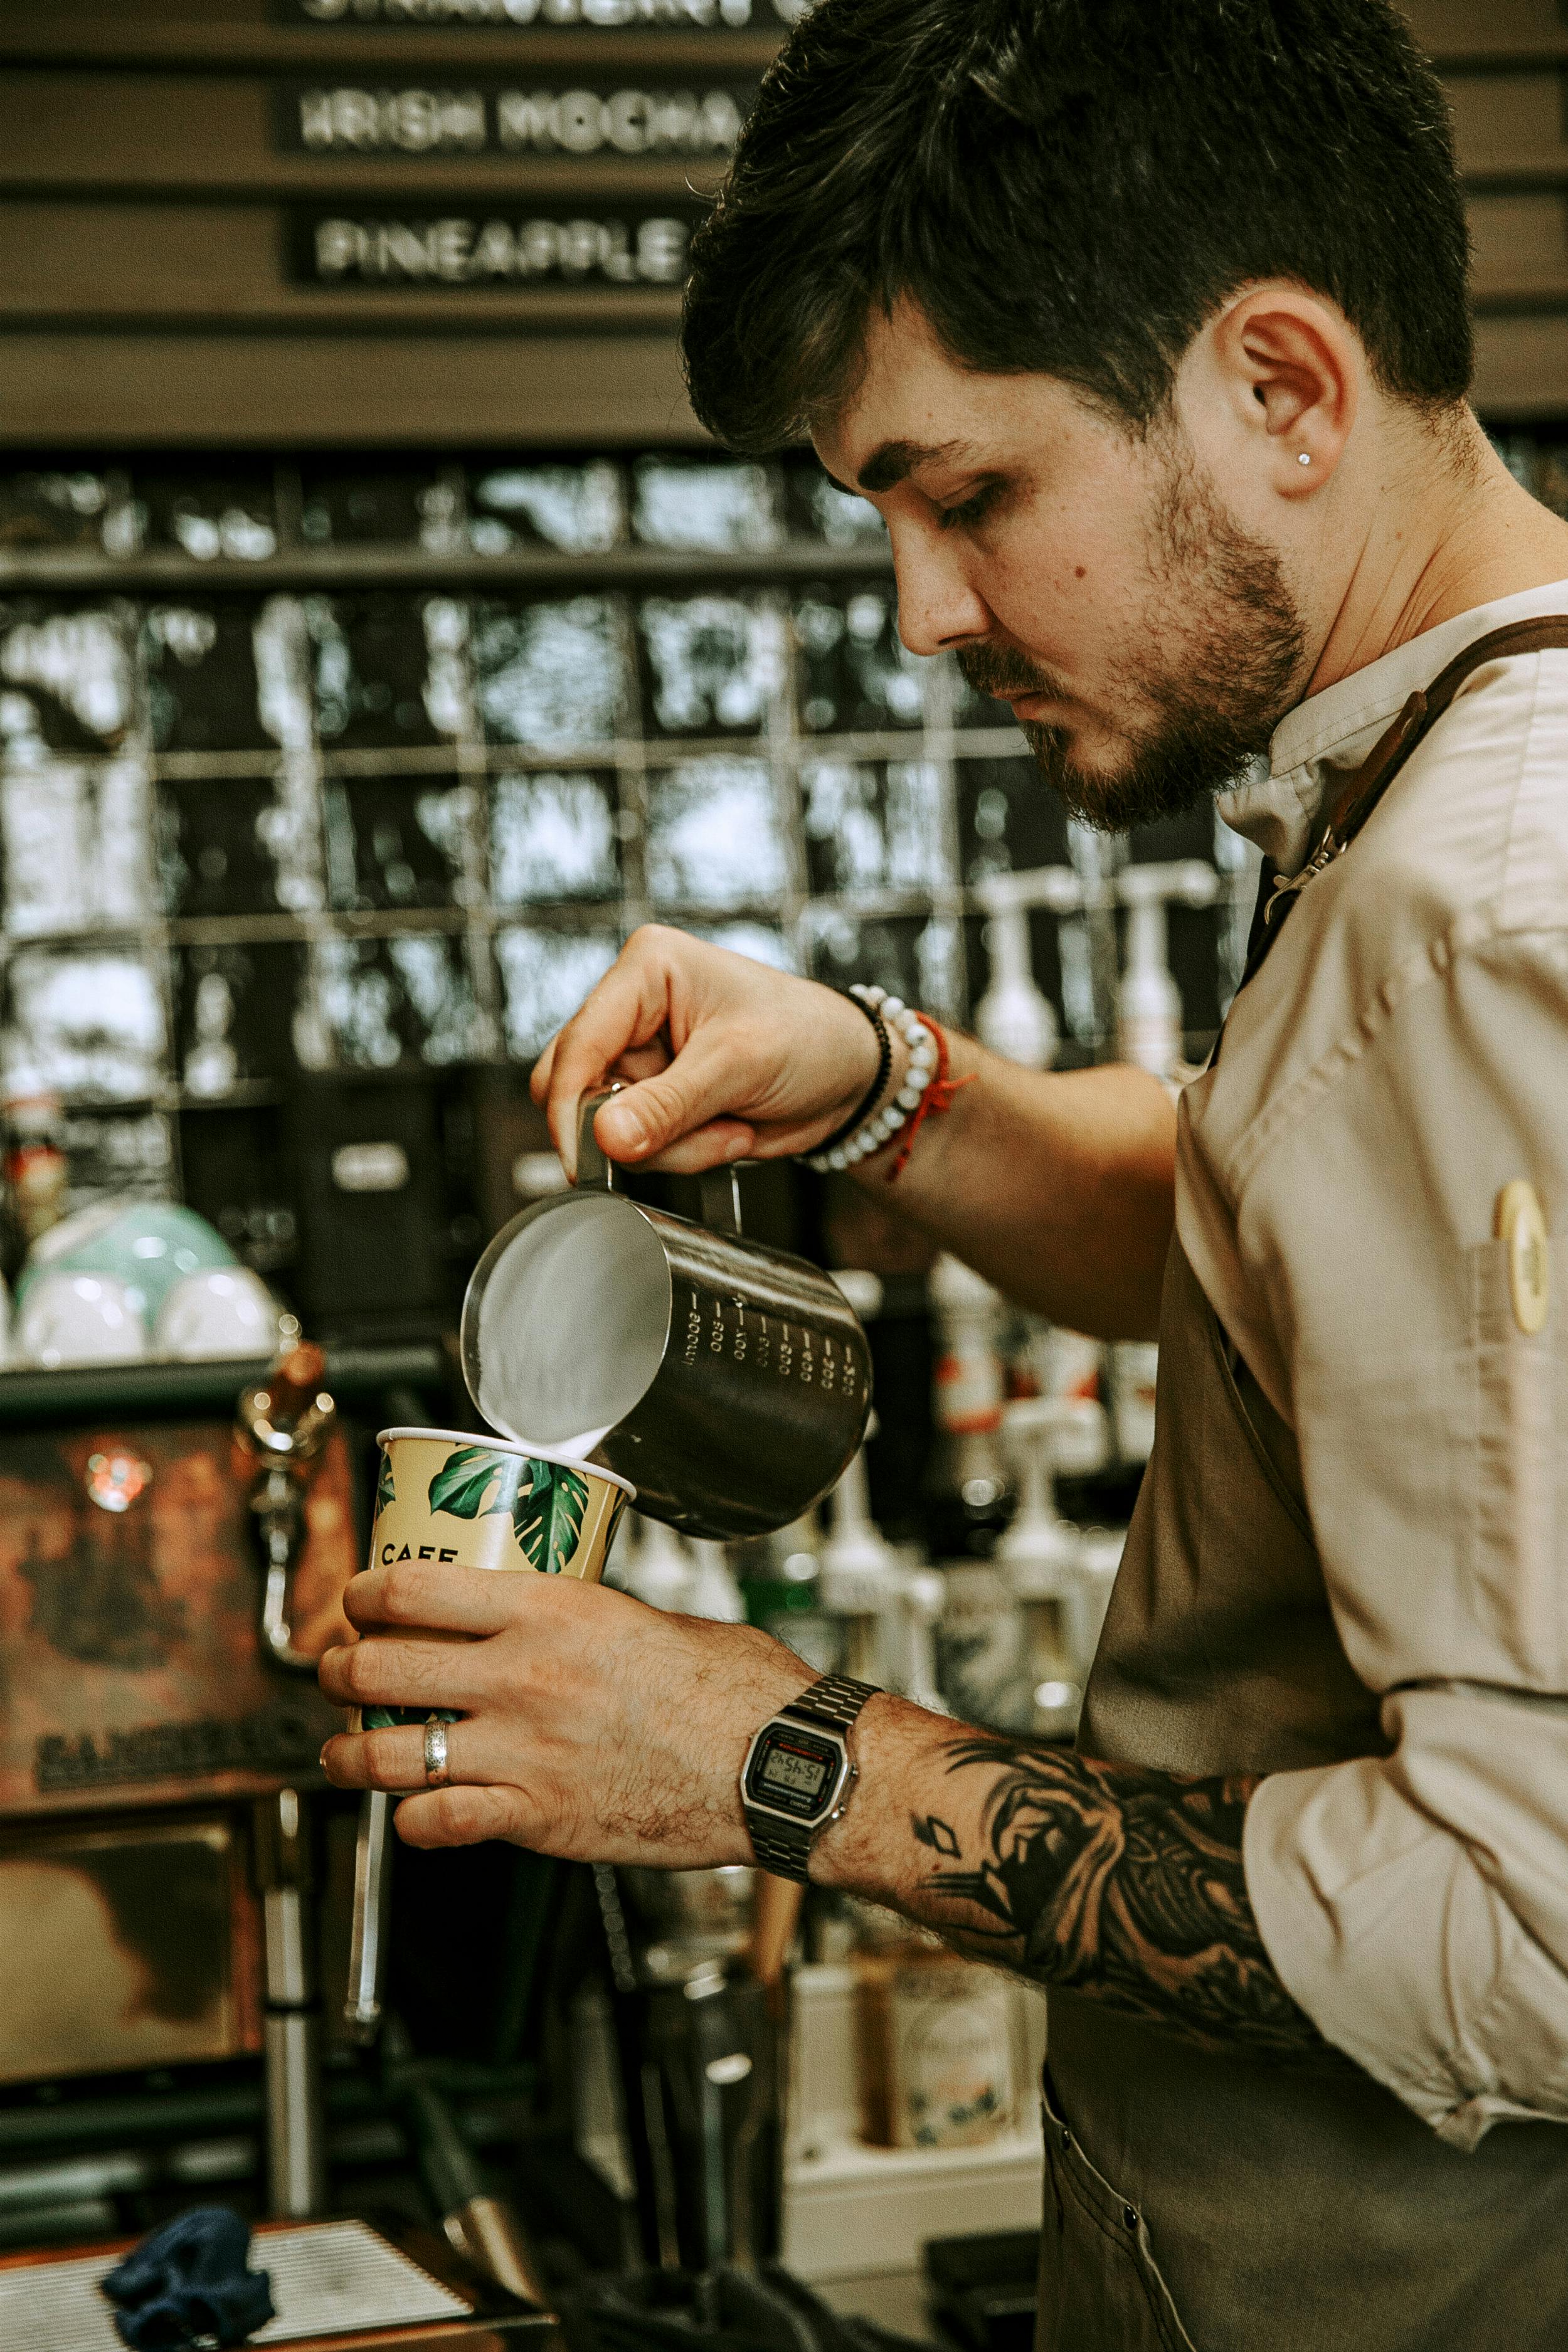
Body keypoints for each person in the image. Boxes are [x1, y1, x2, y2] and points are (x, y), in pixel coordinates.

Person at [319, 2, 1568, 2341]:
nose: (917, 613)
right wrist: (887, 1085)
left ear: (1279, 388)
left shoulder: (1480, 916)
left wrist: (765, 1757)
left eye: (967, 493)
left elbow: (1537, 1933)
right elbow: (1300, 1233)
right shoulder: (1443, 776)